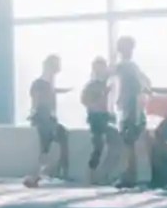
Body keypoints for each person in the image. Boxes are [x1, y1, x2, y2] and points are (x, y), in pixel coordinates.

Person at [24, 55, 71, 187]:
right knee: (46, 147)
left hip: (47, 118)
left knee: (60, 137)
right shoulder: (41, 83)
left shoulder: (47, 83)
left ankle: (57, 171)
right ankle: (38, 175)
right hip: (42, 118)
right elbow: (38, 99)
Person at [113, 36, 150, 188]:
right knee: (129, 142)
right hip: (130, 107)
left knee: (129, 143)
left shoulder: (126, 67)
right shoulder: (132, 67)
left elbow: (134, 88)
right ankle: (130, 174)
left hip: (131, 108)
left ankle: (130, 176)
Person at [81, 57, 114, 173]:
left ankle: (102, 172)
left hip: (105, 116)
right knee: (98, 146)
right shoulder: (92, 86)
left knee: (111, 144)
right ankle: (92, 173)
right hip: (96, 118)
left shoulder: (107, 84)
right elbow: (86, 102)